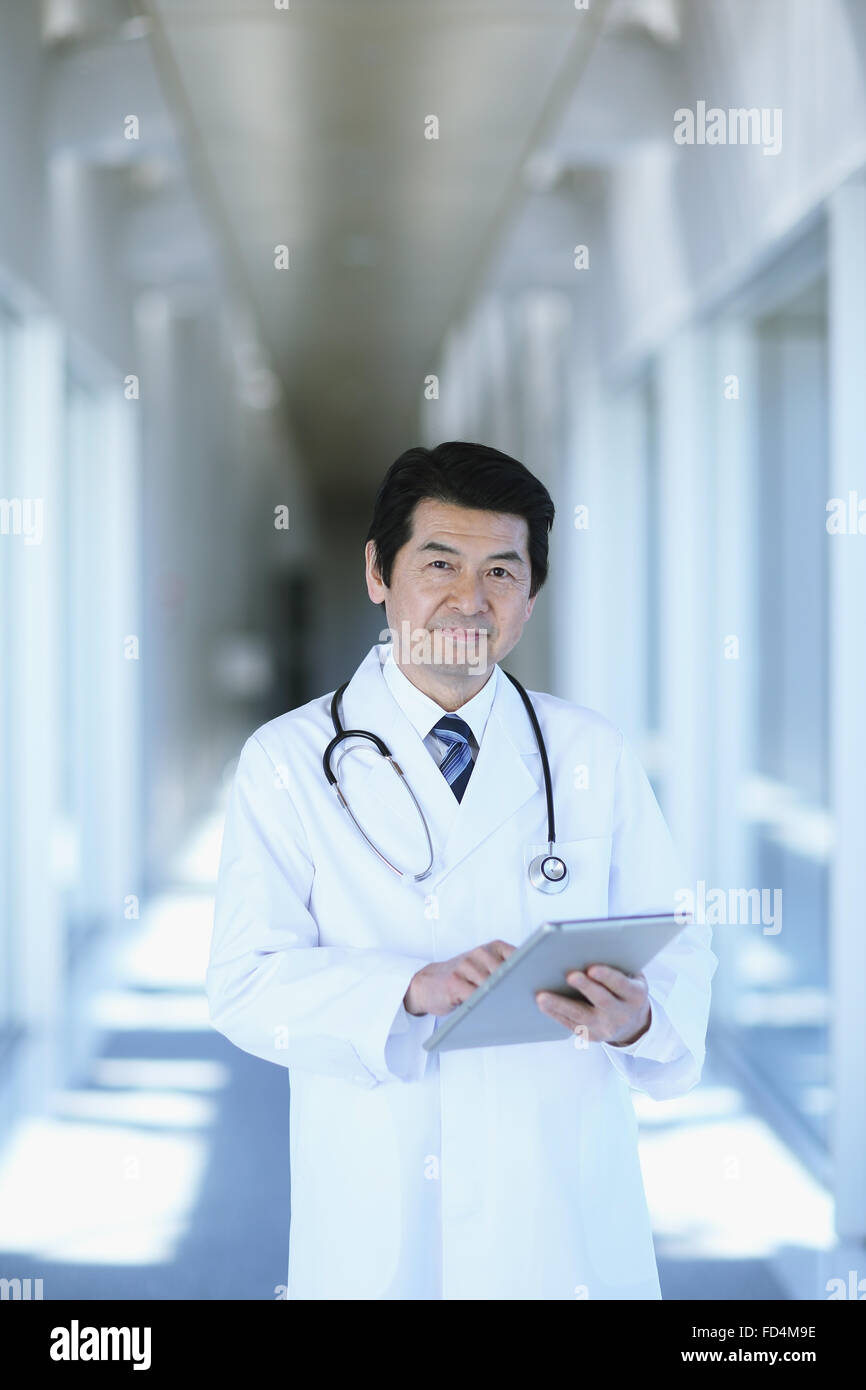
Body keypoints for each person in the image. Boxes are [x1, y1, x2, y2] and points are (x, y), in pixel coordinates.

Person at [206, 439, 717, 1300]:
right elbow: (244, 987)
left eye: (502, 573)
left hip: (557, 1209)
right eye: (439, 563)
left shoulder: (587, 751)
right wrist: (408, 989)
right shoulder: (288, 761)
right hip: (377, 1198)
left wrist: (637, 1020)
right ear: (379, 572)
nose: (469, 601)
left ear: (530, 594)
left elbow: (678, 957)